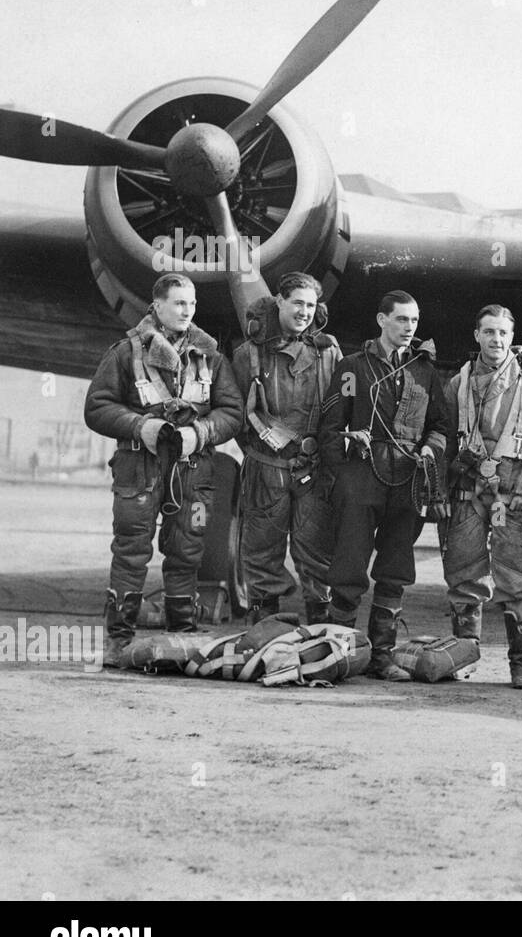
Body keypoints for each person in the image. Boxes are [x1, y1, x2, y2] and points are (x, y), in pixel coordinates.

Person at [84, 273, 242, 664]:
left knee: (187, 551)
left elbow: (232, 412)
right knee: (131, 552)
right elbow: (97, 406)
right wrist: (141, 426)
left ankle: (181, 636)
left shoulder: (210, 356)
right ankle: (118, 641)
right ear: (156, 306)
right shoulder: (125, 352)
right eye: (178, 303)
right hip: (139, 466)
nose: (187, 311)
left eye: (191, 304)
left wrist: (201, 432)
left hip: (192, 468)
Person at [319, 290, 449, 681]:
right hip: (360, 477)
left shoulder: (423, 370)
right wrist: (346, 441)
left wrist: (430, 449)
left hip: (408, 480)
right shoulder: (351, 368)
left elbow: (440, 426)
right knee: (349, 566)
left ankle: (382, 657)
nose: (409, 328)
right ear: (382, 320)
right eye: (401, 320)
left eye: (414, 321)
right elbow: (328, 427)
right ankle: (337, 652)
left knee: (395, 568)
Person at [439, 305, 522, 689]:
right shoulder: (458, 383)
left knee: (517, 578)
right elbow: (441, 438)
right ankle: (463, 657)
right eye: (489, 332)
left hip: (512, 497)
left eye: (503, 333)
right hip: (467, 493)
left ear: (512, 335)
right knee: (463, 573)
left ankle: (521, 664)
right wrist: (443, 488)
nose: (496, 340)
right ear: (476, 335)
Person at [231, 272, 341, 624]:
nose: (304, 312)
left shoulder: (329, 353)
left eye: (310, 305)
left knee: (317, 554)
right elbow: (236, 417)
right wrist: (264, 452)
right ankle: (265, 631)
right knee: (262, 553)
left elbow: (339, 410)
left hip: (314, 471)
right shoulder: (248, 355)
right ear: (279, 300)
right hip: (266, 470)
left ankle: (322, 634)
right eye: (297, 303)